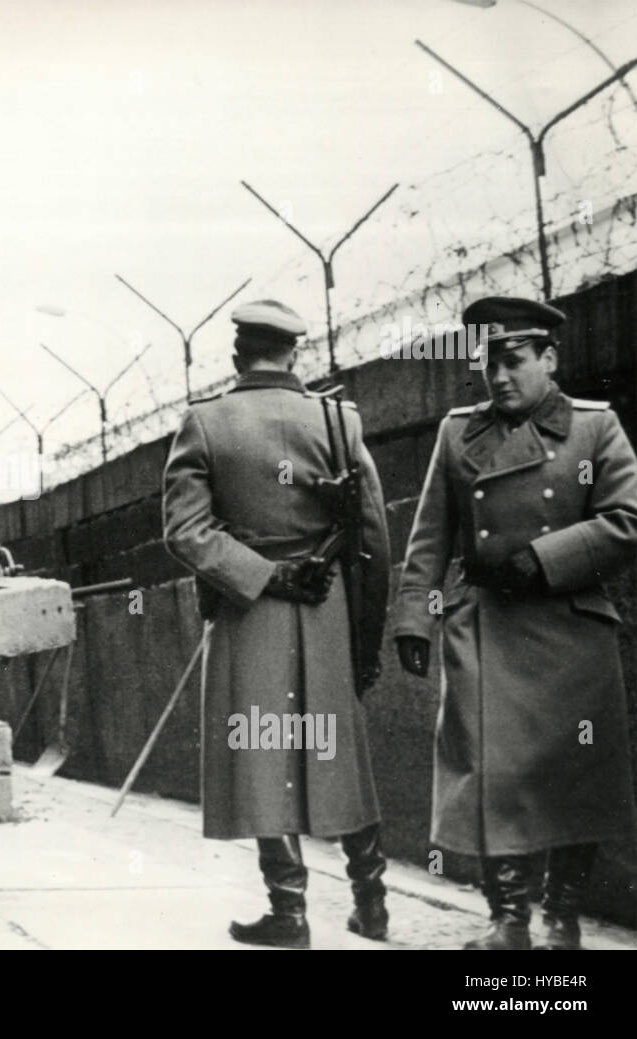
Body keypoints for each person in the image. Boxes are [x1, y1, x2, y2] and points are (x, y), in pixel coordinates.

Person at [394, 296, 637, 950]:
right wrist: (413, 616)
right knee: (489, 771)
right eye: (488, 363)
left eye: (513, 360)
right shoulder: (457, 433)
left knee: (570, 774)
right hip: (484, 626)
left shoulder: (594, 428)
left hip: (569, 623)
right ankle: (508, 919)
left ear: (548, 359)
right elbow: (428, 539)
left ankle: (561, 915)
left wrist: (543, 558)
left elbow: (627, 519)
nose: (499, 376)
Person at [162, 300, 392, 949]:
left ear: (238, 355)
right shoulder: (340, 419)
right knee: (340, 752)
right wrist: (365, 637)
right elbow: (373, 536)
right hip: (331, 605)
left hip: (250, 605)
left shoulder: (205, 423)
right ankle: (371, 902)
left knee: (263, 753)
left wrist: (261, 574)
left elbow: (184, 531)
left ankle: (289, 913)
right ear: (294, 353)